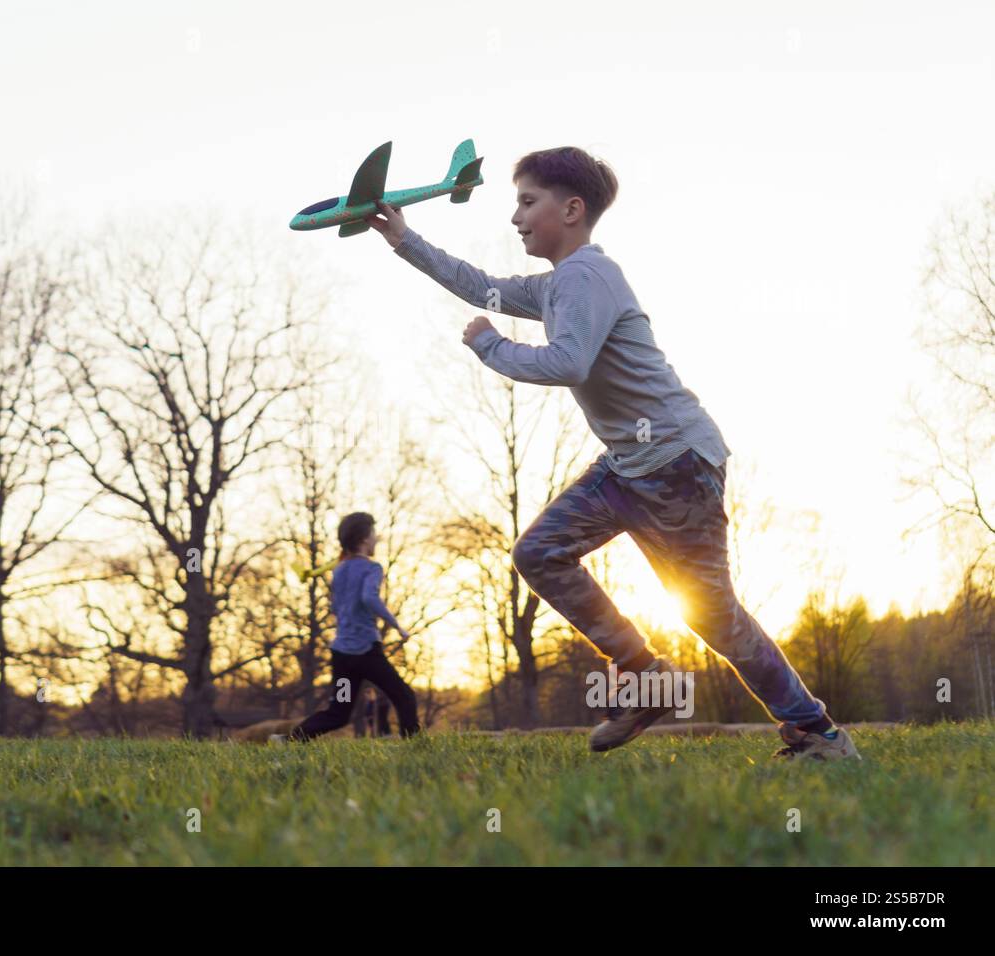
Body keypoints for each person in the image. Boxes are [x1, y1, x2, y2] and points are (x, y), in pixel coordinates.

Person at [365, 146, 859, 761]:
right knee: (540, 553)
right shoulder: (557, 285)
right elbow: (482, 286)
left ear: (571, 209)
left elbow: (568, 361)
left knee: (714, 617)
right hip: (628, 469)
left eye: (526, 202)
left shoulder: (585, 277)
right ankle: (643, 672)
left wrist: (491, 346)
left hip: (678, 465)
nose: (515, 219)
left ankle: (819, 734)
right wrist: (404, 239)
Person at [275, 512, 421, 742]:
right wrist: (397, 626)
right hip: (366, 654)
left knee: (339, 712)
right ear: (363, 539)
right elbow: (369, 598)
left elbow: (336, 607)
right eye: (374, 534)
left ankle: (289, 740)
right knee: (404, 696)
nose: (376, 539)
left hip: (343, 657)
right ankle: (416, 750)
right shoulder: (372, 568)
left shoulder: (339, 570)